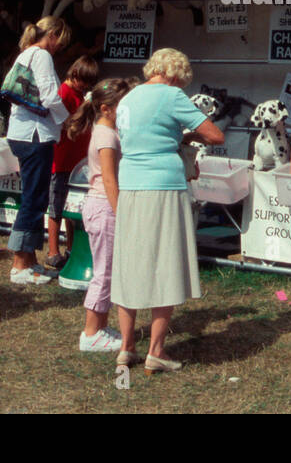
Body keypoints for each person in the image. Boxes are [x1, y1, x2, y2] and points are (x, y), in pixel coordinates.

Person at [112, 48, 224, 372]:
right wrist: (185, 133)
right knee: (166, 265)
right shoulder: (173, 96)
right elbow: (215, 135)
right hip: (163, 185)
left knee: (129, 265)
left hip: (130, 183)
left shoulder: (129, 98)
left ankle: (126, 347)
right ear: (175, 74)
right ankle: (156, 351)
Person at [65, 77, 135, 352]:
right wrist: (122, 214)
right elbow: (109, 180)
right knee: (104, 272)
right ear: (106, 109)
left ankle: (101, 326)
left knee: (108, 270)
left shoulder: (106, 130)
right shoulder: (106, 136)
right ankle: (91, 332)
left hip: (103, 206)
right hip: (104, 206)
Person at [3, 15, 73, 284]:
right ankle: (20, 264)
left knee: (35, 196)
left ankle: (29, 260)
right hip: (35, 135)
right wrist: (66, 118)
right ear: (53, 34)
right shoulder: (42, 55)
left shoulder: (26, 53)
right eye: (60, 42)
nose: (59, 48)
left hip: (24, 133)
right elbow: (49, 95)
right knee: (33, 199)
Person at [45, 56, 98, 272]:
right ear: (74, 75)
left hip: (77, 162)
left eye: (88, 83)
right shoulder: (65, 93)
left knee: (72, 206)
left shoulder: (77, 93)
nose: (85, 86)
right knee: (57, 206)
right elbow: (66, 123)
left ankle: (71, 247)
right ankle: (52, 251)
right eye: (83, 81)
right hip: (63, 161)